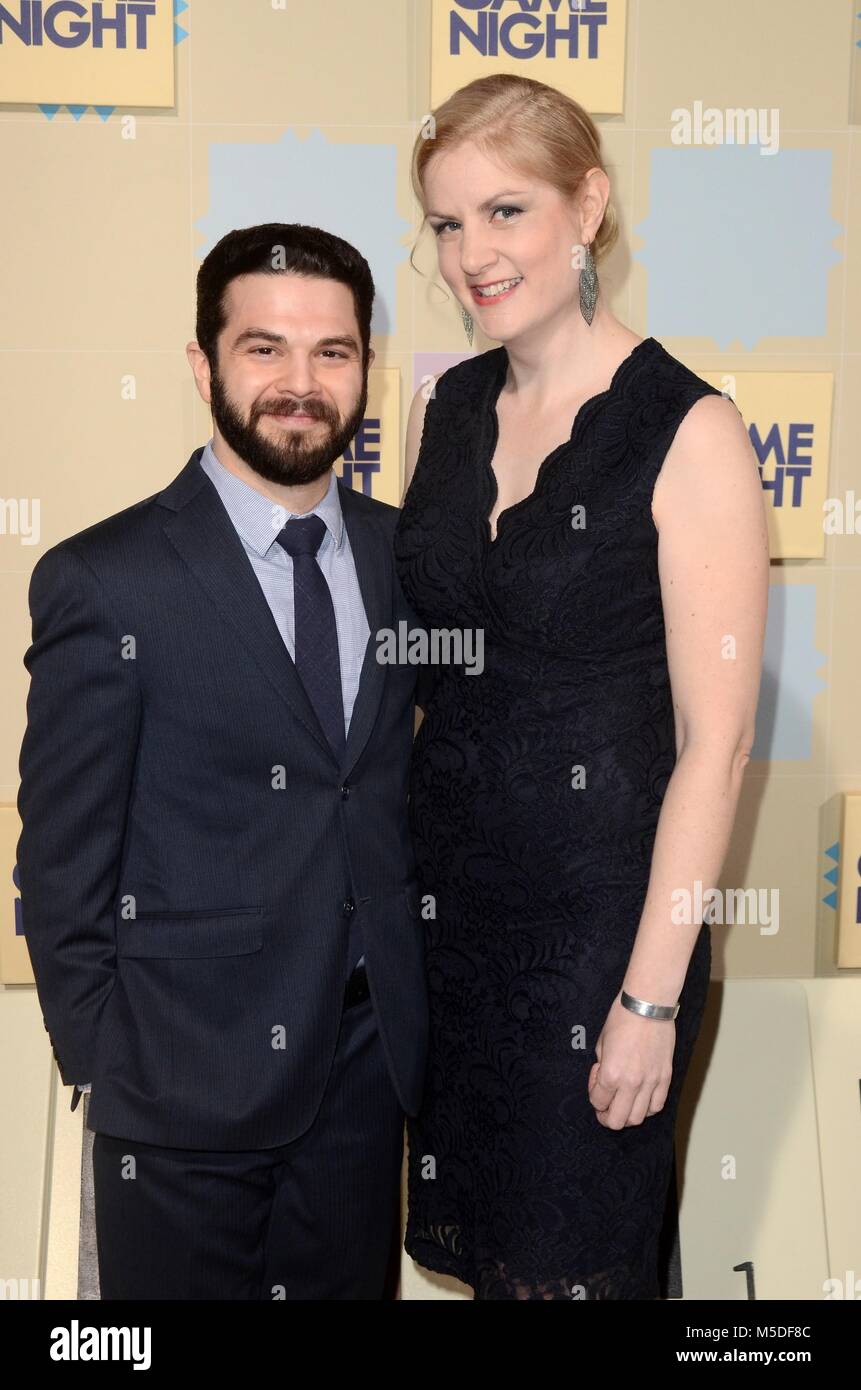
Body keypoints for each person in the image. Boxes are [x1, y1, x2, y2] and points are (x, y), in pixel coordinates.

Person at [394, 74, 768, 1300]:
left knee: (574, 1270)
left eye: (506, 213)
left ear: (588, 204)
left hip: (601, 935)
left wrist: (650, 996)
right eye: (448, 225)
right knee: (482, 1261)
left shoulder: (688, 428)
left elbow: (715, 745)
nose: (472, 256)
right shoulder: (441, 408)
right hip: (454, 924)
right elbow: (430, 660)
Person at [17, 223, 428, 1300]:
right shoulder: (106, 581)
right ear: (203, 364)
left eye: (332, 352)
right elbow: (60, 863)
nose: (300, 383)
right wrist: (108, 1062)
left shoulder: (407, 558)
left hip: (360, 1088)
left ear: (366, 369)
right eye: (264, 349)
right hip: (176, 1097)